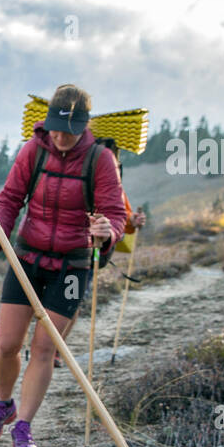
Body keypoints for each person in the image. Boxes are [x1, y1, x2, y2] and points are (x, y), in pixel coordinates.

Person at [0, 84, 126, 447]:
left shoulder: (100, 159)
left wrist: (107, 231)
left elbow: (115, 213)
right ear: (47, 121)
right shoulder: (33, 150)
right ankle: (3, 404)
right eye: (56, 127)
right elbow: (11, 198)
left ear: (84, 127)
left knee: (44, 348)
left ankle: (23, 425)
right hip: (26, 257)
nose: (60, 137)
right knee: (8, 343)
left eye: (69, 131)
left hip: (73, 267)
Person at [51, 136, 146, 366]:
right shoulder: (72, 175)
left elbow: (123, 217)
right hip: (55, 250)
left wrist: (134, 220)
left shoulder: (116, 187)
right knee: (54, 302)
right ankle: (47, 347)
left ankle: (54, 349)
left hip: (86, 256)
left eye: (110, 157)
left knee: (70, 302)